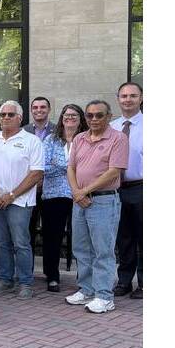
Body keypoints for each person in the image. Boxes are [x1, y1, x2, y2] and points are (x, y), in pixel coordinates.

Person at [65, 100, 128, 314]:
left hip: (103, 201)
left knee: (103, 250)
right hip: (80, 200)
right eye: (89, 115)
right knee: (81, 248)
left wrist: (84, 191)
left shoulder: (118, 138)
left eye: (98, 115)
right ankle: (87, 289)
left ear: (108, 116)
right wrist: (76, 192)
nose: (93, 119)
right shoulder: (80, 138)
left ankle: (104, 296)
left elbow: (114, 171)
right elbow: (71, 167)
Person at [0, 100, 44, 299]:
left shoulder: (32, 141)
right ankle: (6, 279)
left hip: (19, 202)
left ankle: (25, 282)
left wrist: (12, 195)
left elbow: (36, 174)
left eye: (10, 114)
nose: (6, 118)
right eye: (2, 115)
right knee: (0, 243)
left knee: (21, 243)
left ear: (20, 117)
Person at [40, 104, 87, 292]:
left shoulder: (86, 140)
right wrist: (69, 167)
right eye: (66, 115)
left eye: (74, 115)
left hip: (80, 194)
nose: (70, 118)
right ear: (61, 118)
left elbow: (88, 167)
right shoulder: (51, 140)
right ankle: (52, 276)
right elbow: (43, 167)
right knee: (52, 238)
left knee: (81, 239)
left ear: (80, 118)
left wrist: (61, 165)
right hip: (54, 195)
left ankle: (83, 279)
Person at [111, 82, 143, 299]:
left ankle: (145, 284)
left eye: (133, 95)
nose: (128, 99)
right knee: (123, 238)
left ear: (141, 98)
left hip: (143, 187)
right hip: (117, 189)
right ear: (118, 99)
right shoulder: (111, 127)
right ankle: (124, 281)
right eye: (124, 96)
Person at [23, 97, 54, 267]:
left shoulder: (58, 130)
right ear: (31, 110)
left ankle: (50, 273)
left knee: (50, 232)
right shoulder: (23, 131)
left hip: (51, 189)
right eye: (35, 107)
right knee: (27, 232)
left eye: (43, 107)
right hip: (29, 189)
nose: (39, 110)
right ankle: (28, 270)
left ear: (49, 109)